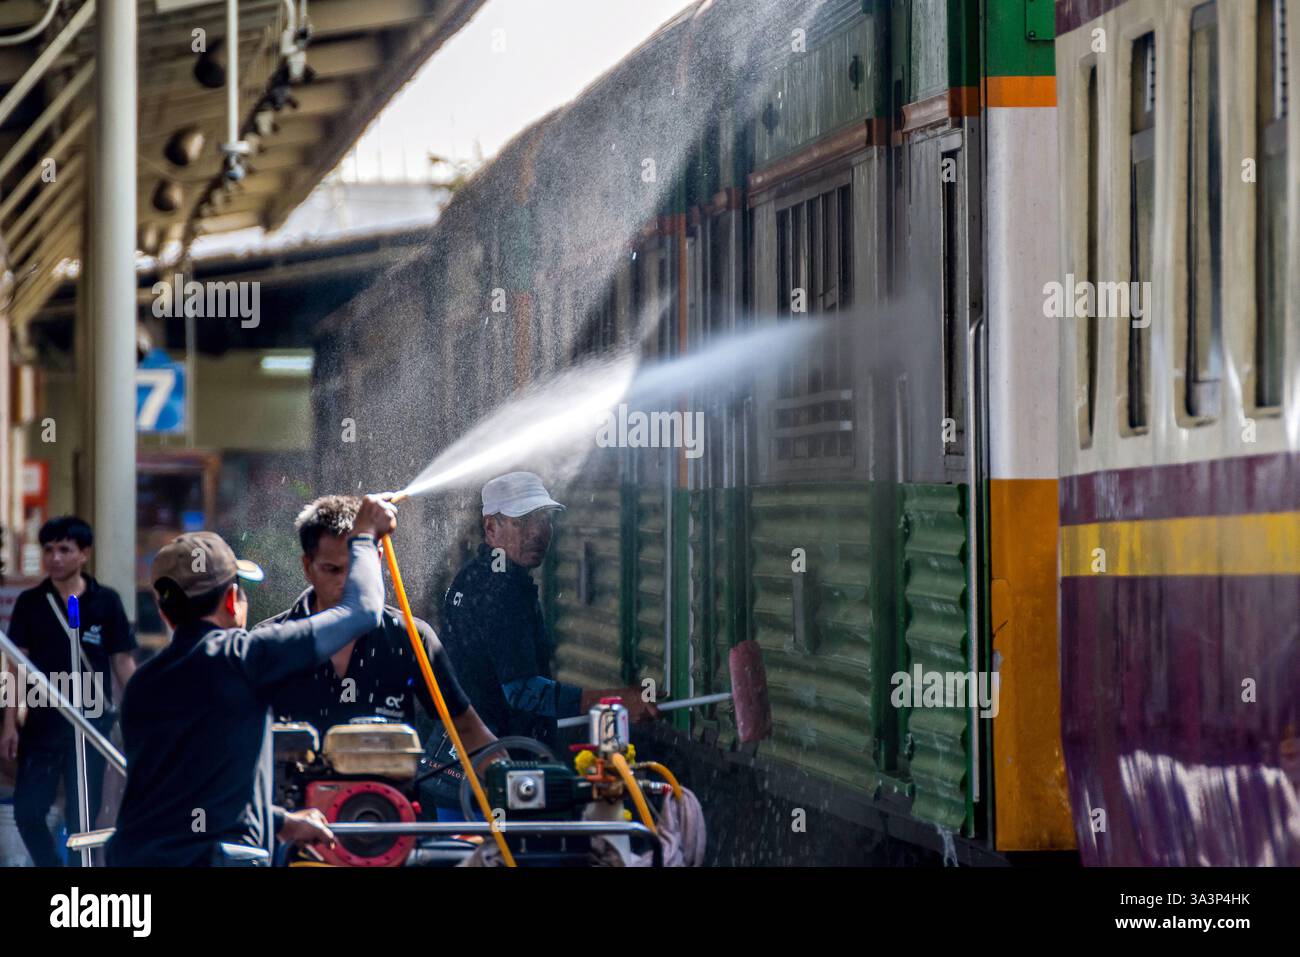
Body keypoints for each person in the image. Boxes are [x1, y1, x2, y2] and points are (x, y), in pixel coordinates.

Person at [105, 495, 397, 867]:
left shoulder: (143, 684)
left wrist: (280, 821)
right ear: (232, 600)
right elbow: (363, 612)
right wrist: (364, 536)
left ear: (164, 611)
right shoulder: (244, 657)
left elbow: (183, 788)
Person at [260, 494, 495, 761]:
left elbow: (468, 731)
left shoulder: (410, 639)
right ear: (307, 567)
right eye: (332, 569)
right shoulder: (270, 642)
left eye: (354, 568)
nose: (345, 583)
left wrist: (516, 786)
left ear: (377, 558)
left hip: (390, 801)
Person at [441, 472, 658, 750]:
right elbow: (521, 692)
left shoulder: (471, 576)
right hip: (495, 760)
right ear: (491, 527)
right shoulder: (501, 590)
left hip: (458, 752)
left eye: (544, 519)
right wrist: (617, 700)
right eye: (522, 521)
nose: (537, 531)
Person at [0, 516, 136, 867]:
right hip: (43, 724)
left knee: (82, 821)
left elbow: (122, 662)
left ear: (84, 554)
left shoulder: (105, 603)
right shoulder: (31, 603)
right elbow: (15, 667)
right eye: (48, 549)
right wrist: (9, 724)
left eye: (65, 549)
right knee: (28, 811)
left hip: (90, 727)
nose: (55, 557)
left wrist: (140, 714)